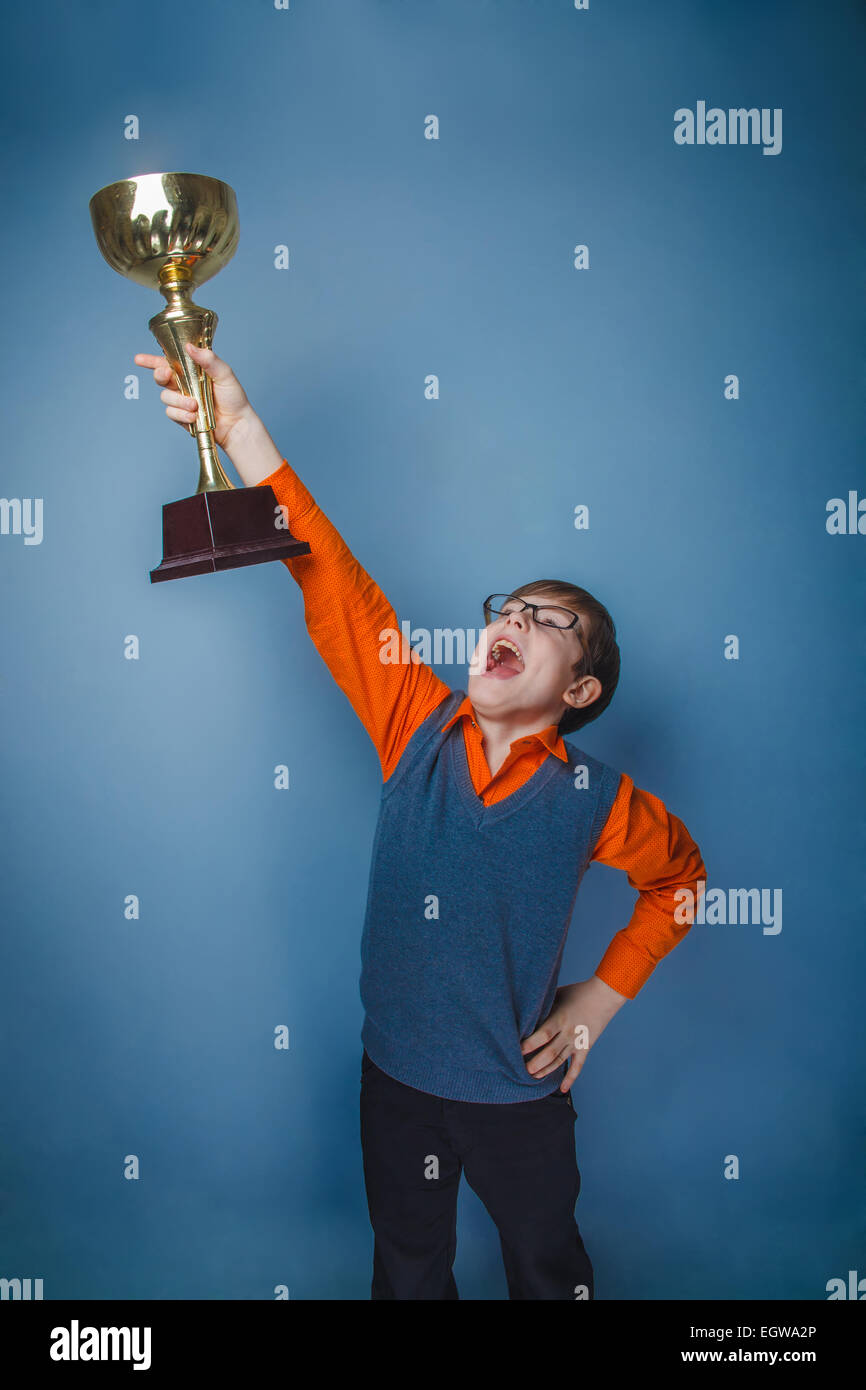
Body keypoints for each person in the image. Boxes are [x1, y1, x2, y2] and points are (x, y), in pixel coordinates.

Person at [134, 341, 707, 1300]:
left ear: (584, 686)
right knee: (406, 1269)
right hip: (392, 1086)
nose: (515, 621)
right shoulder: (414, 723)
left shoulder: (595, 799)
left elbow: (680, 880)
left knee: (546, 1266)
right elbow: (331, 579)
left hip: (516, 1103)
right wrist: (238, 429)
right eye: (509, 608)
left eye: (550, 622)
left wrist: (599, 999)